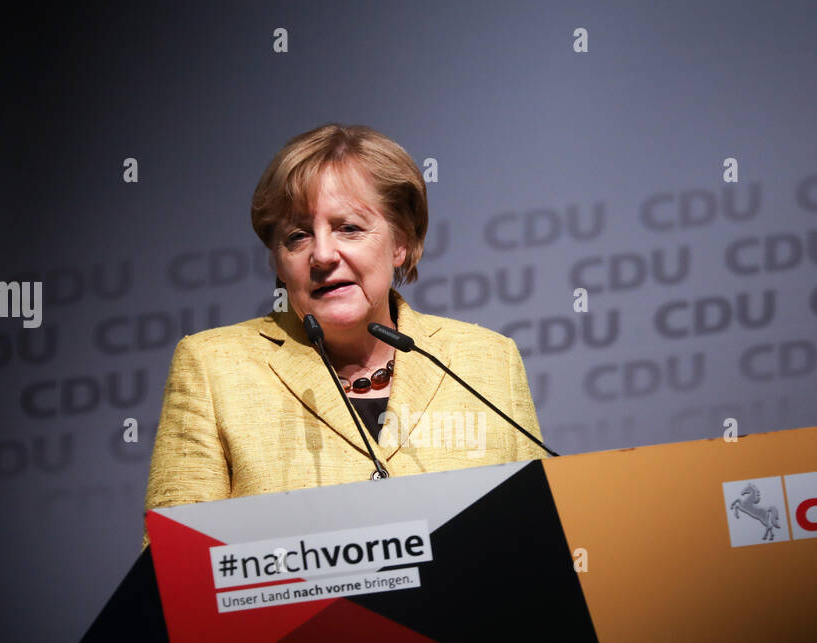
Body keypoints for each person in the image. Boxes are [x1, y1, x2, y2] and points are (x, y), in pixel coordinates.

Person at [141, 124, 546, 549]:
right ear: (279, 262)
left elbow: (537, 543)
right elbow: (172, 568)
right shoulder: (213, 366)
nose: (322, 254)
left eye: (349, 228)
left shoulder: (487, 360)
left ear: (400, 243)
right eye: (297, 236)